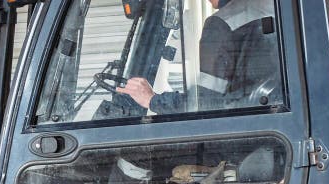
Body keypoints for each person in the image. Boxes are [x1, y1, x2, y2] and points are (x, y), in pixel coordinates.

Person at [117, 0, 275, 113]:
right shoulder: (275, 9)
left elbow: (205, 104)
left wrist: (152, 100)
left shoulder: (222, 23)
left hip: (244, 136)